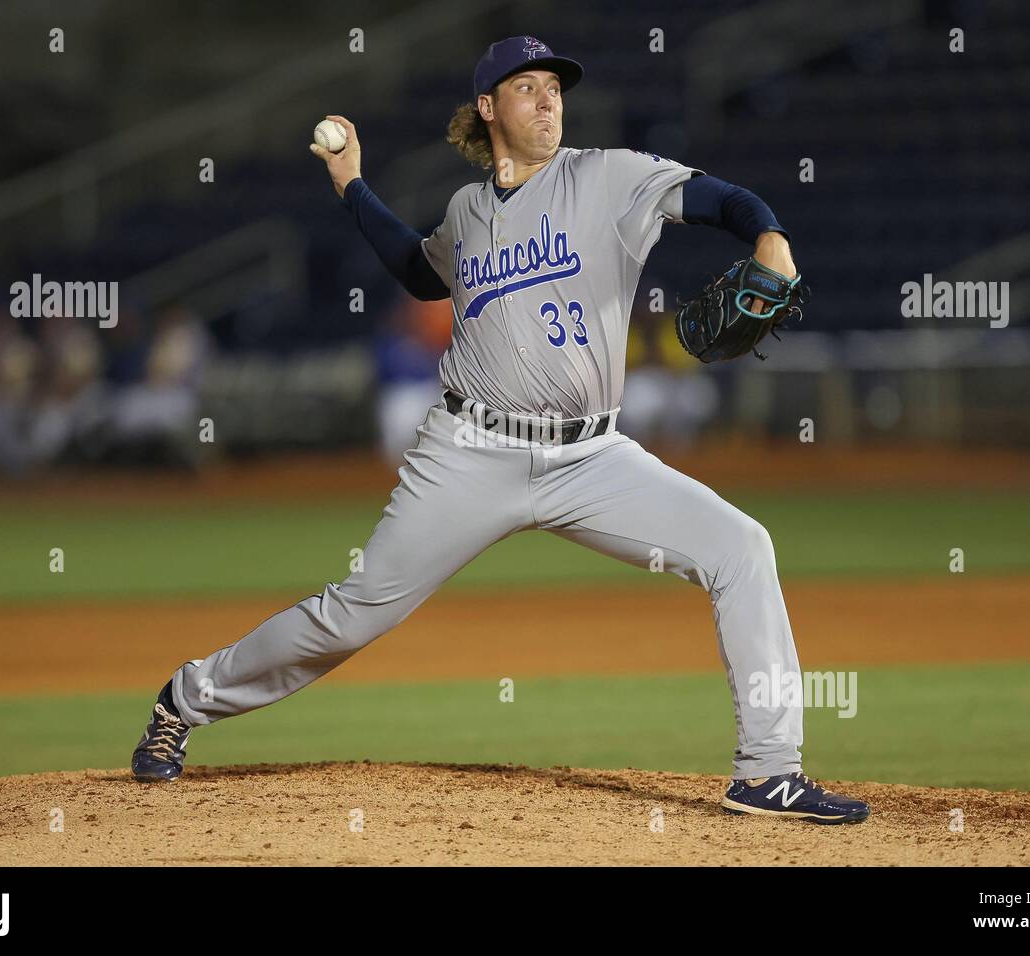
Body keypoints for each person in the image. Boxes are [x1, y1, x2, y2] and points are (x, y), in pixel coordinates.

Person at [132, 36, 869, 824]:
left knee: (742, 547)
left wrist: (771, 237)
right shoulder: (466, 210)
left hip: (592, 457)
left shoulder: (611, 176)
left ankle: (767, 770)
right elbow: (420, 270)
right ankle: (187, 697)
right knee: (352, 614)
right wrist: (351, 185)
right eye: (527, 87)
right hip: (469, 453)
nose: (548, 99)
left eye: (555, 87)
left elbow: (724, 201)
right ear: (488, 109)